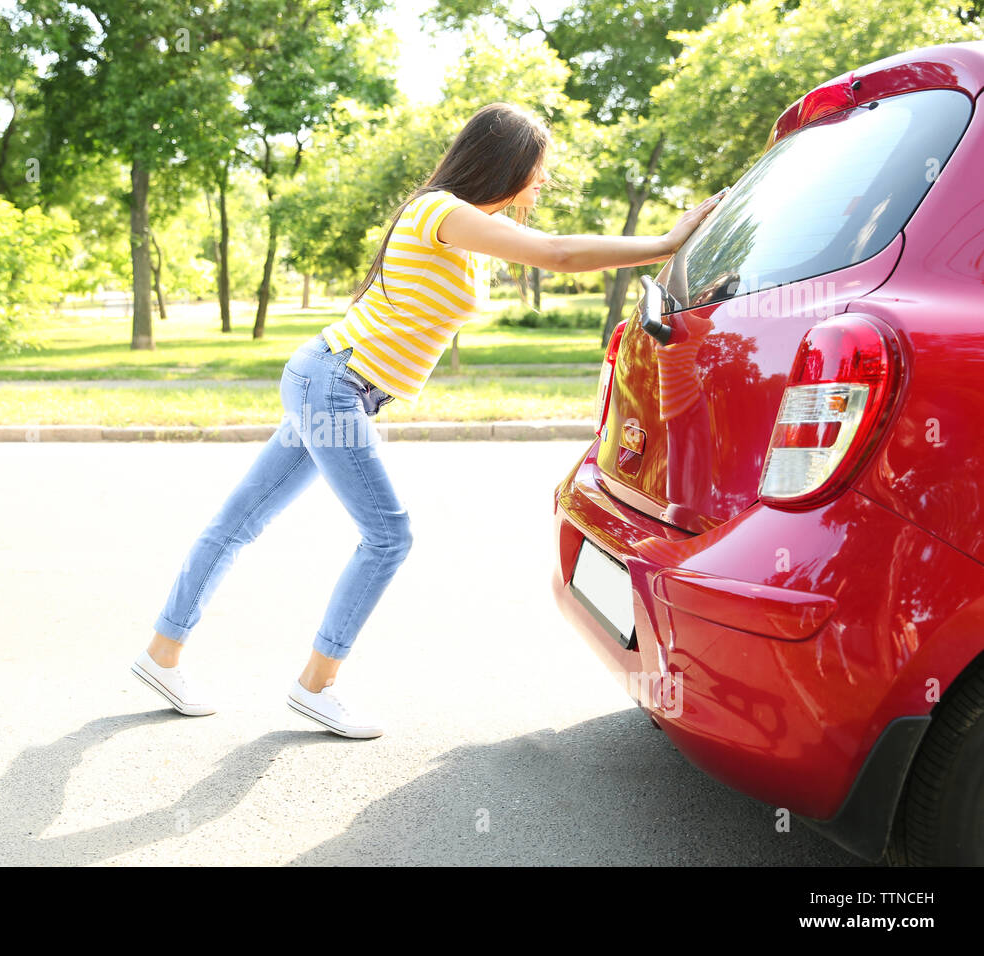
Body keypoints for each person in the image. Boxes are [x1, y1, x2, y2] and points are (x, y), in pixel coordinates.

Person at [133, 102, 725, 738]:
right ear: (507, 162)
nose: (542, 182)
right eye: (537, 168)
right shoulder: (442, 212)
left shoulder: (459, 220)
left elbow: (525, 255)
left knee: (241, 522)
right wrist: (666, 242)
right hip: (335, 382)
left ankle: (161, 656)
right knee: (388, 536)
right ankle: (316, 685)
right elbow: (554, 253)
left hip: (334, 382)